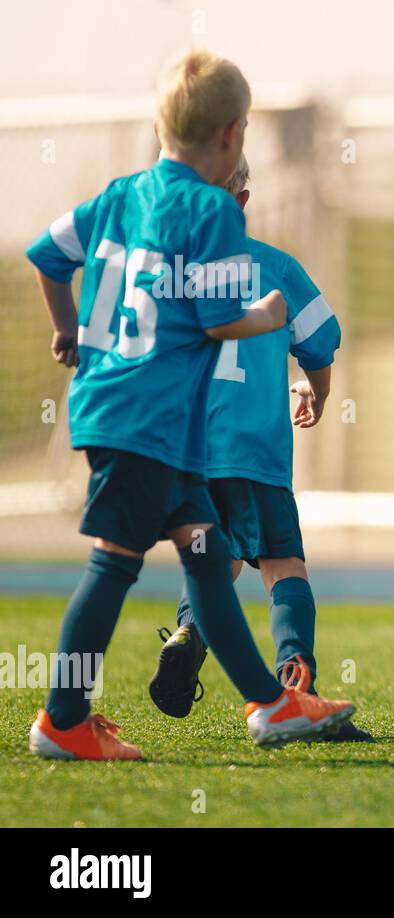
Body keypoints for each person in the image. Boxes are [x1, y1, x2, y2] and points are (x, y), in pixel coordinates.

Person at [25, 48, 355, 760]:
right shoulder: (212, 210)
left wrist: (67, 331)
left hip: (162, 429)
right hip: (147, 423)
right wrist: (267, 314)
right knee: (113, 566)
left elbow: (47, 256)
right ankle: (62, 719)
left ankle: (272, 706)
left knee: (207, 559)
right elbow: (216, 318)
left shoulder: (119, 196)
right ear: (234, 134)